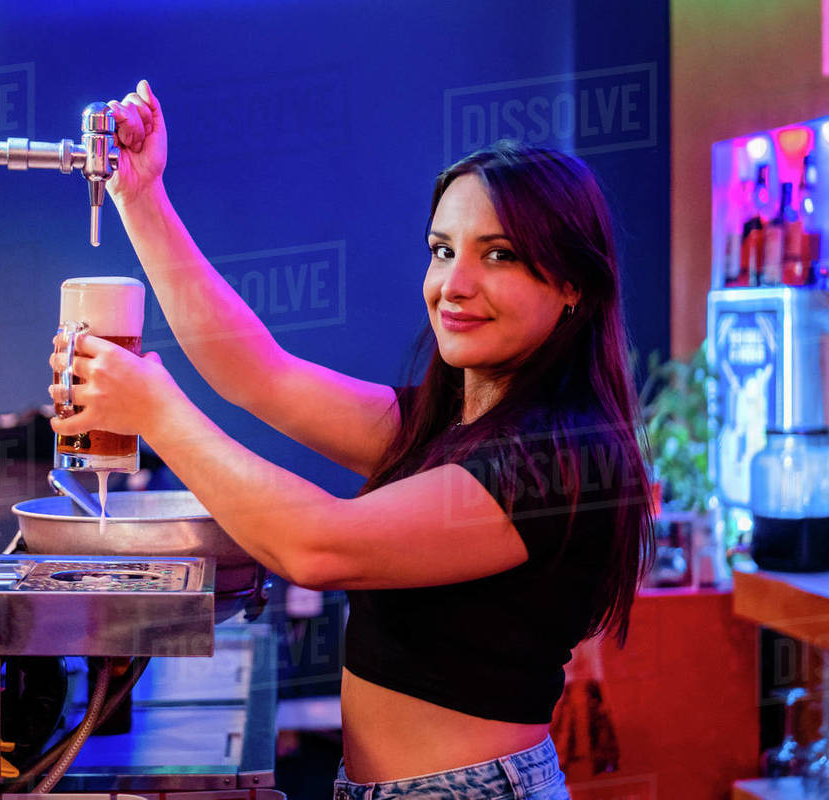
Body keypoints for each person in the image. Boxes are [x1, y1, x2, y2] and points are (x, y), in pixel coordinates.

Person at [48, 79, 654, 800]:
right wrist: (141, 197)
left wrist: (156, 411)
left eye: (498, 256)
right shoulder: (448, 423)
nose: (454, 284)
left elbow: (318, 547)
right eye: (442, 250)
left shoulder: (558, 456)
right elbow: (258, 374)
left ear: (573, 284)